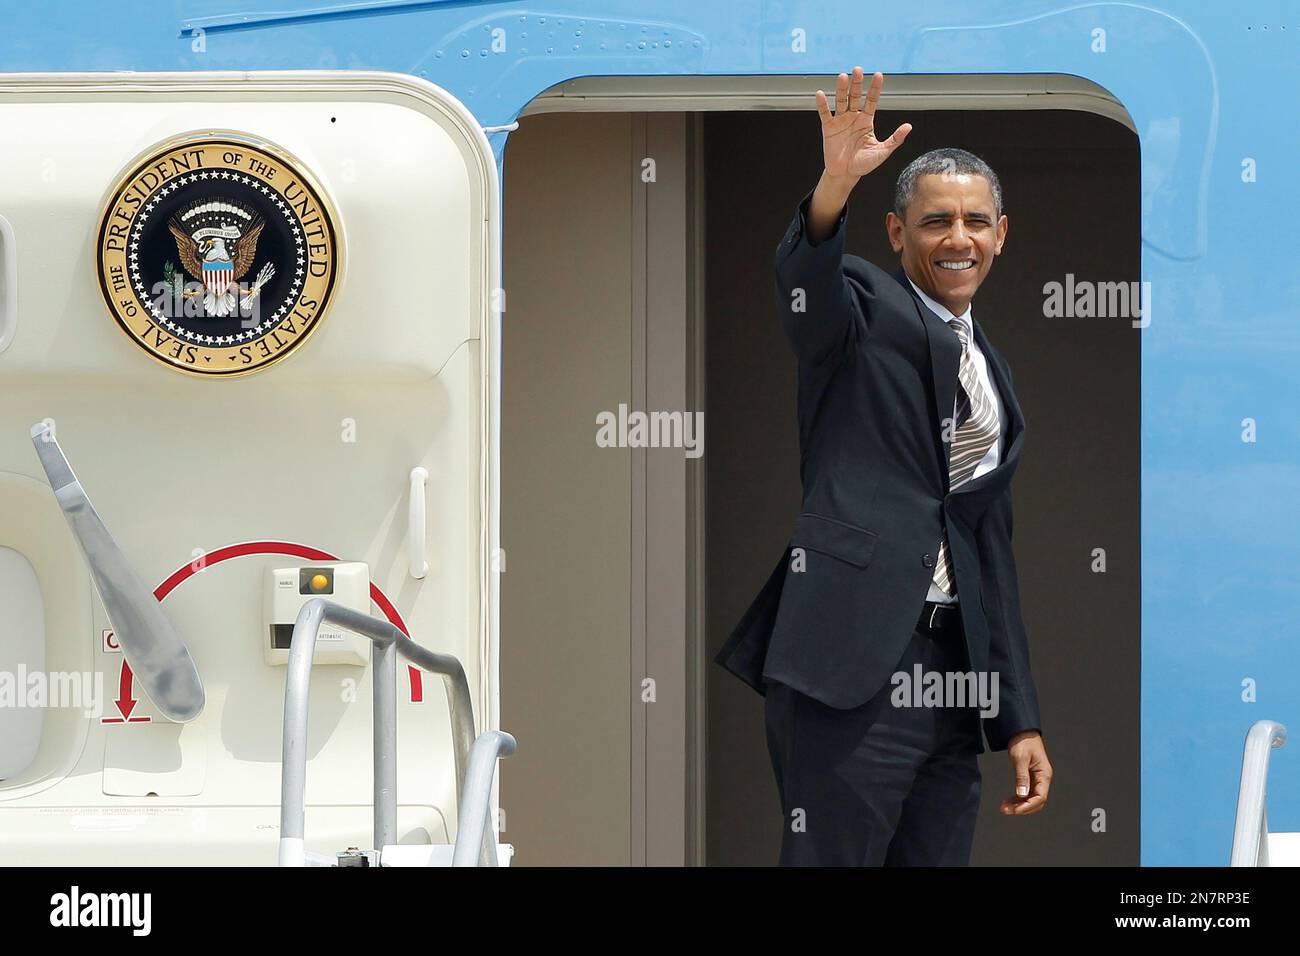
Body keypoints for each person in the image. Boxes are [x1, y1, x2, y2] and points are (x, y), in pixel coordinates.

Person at [715, 68, 1053, 866]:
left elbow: (988, 554)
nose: (957, 238)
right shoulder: (862, 311)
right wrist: (834, 187)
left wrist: (1019, 718)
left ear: (1002, 233)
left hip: (952, 678)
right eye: (935, 222)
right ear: (898, 235)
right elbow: (807, 279)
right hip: (850, 668)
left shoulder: (993, 373)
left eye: (975, 221)